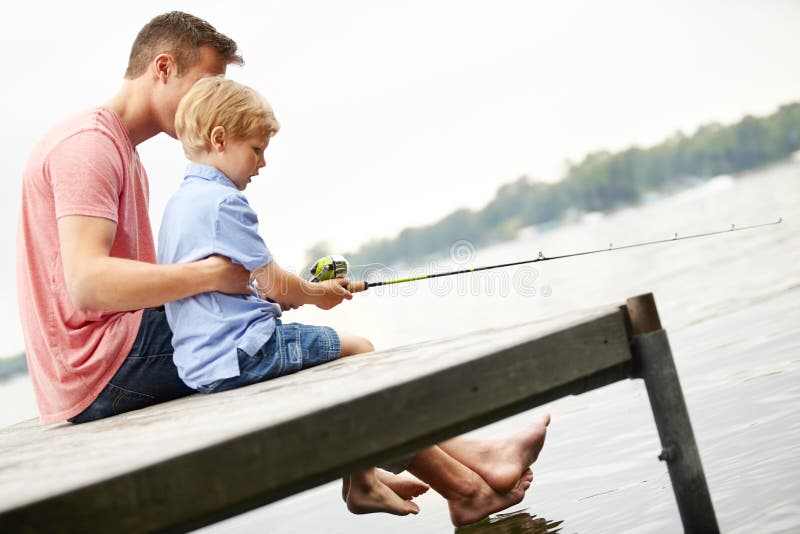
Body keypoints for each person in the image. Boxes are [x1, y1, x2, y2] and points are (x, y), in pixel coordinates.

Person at [159, 76, 550, 525]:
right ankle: (385, 483)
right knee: (359, 355)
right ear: (219, 138)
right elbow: (278, 285)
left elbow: (241, 289)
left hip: (204, 362)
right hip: (243, 356)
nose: (263, 163)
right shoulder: (224, 203)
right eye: (256, 149)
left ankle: (472, 464)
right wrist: (316, 296)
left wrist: (284, 297)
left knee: (345, 373)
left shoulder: (180, 206)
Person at [16, 11, 252, 425]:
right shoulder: (88, 146)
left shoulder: (121, 151)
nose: (212, 104)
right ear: (163, 67)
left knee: (258, 315)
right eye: (206, 86)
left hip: (105, 357)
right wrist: (212, 276)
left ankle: (366, 478)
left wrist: (253, 290)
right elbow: (88, 283)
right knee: (295, 345)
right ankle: (364, 484)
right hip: (100, 366)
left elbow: (140, 292)